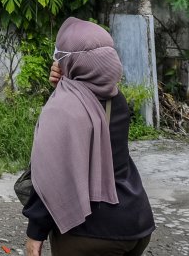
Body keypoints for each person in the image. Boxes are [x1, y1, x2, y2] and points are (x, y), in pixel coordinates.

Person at [21, 18, 154, 256]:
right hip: (136, 221)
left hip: (91, 233)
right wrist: (64, 85)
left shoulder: (64, 109)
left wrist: (35, 235)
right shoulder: (118, 100)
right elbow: (89, 107)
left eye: (59, 54)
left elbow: (54, 178)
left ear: (70, 61)